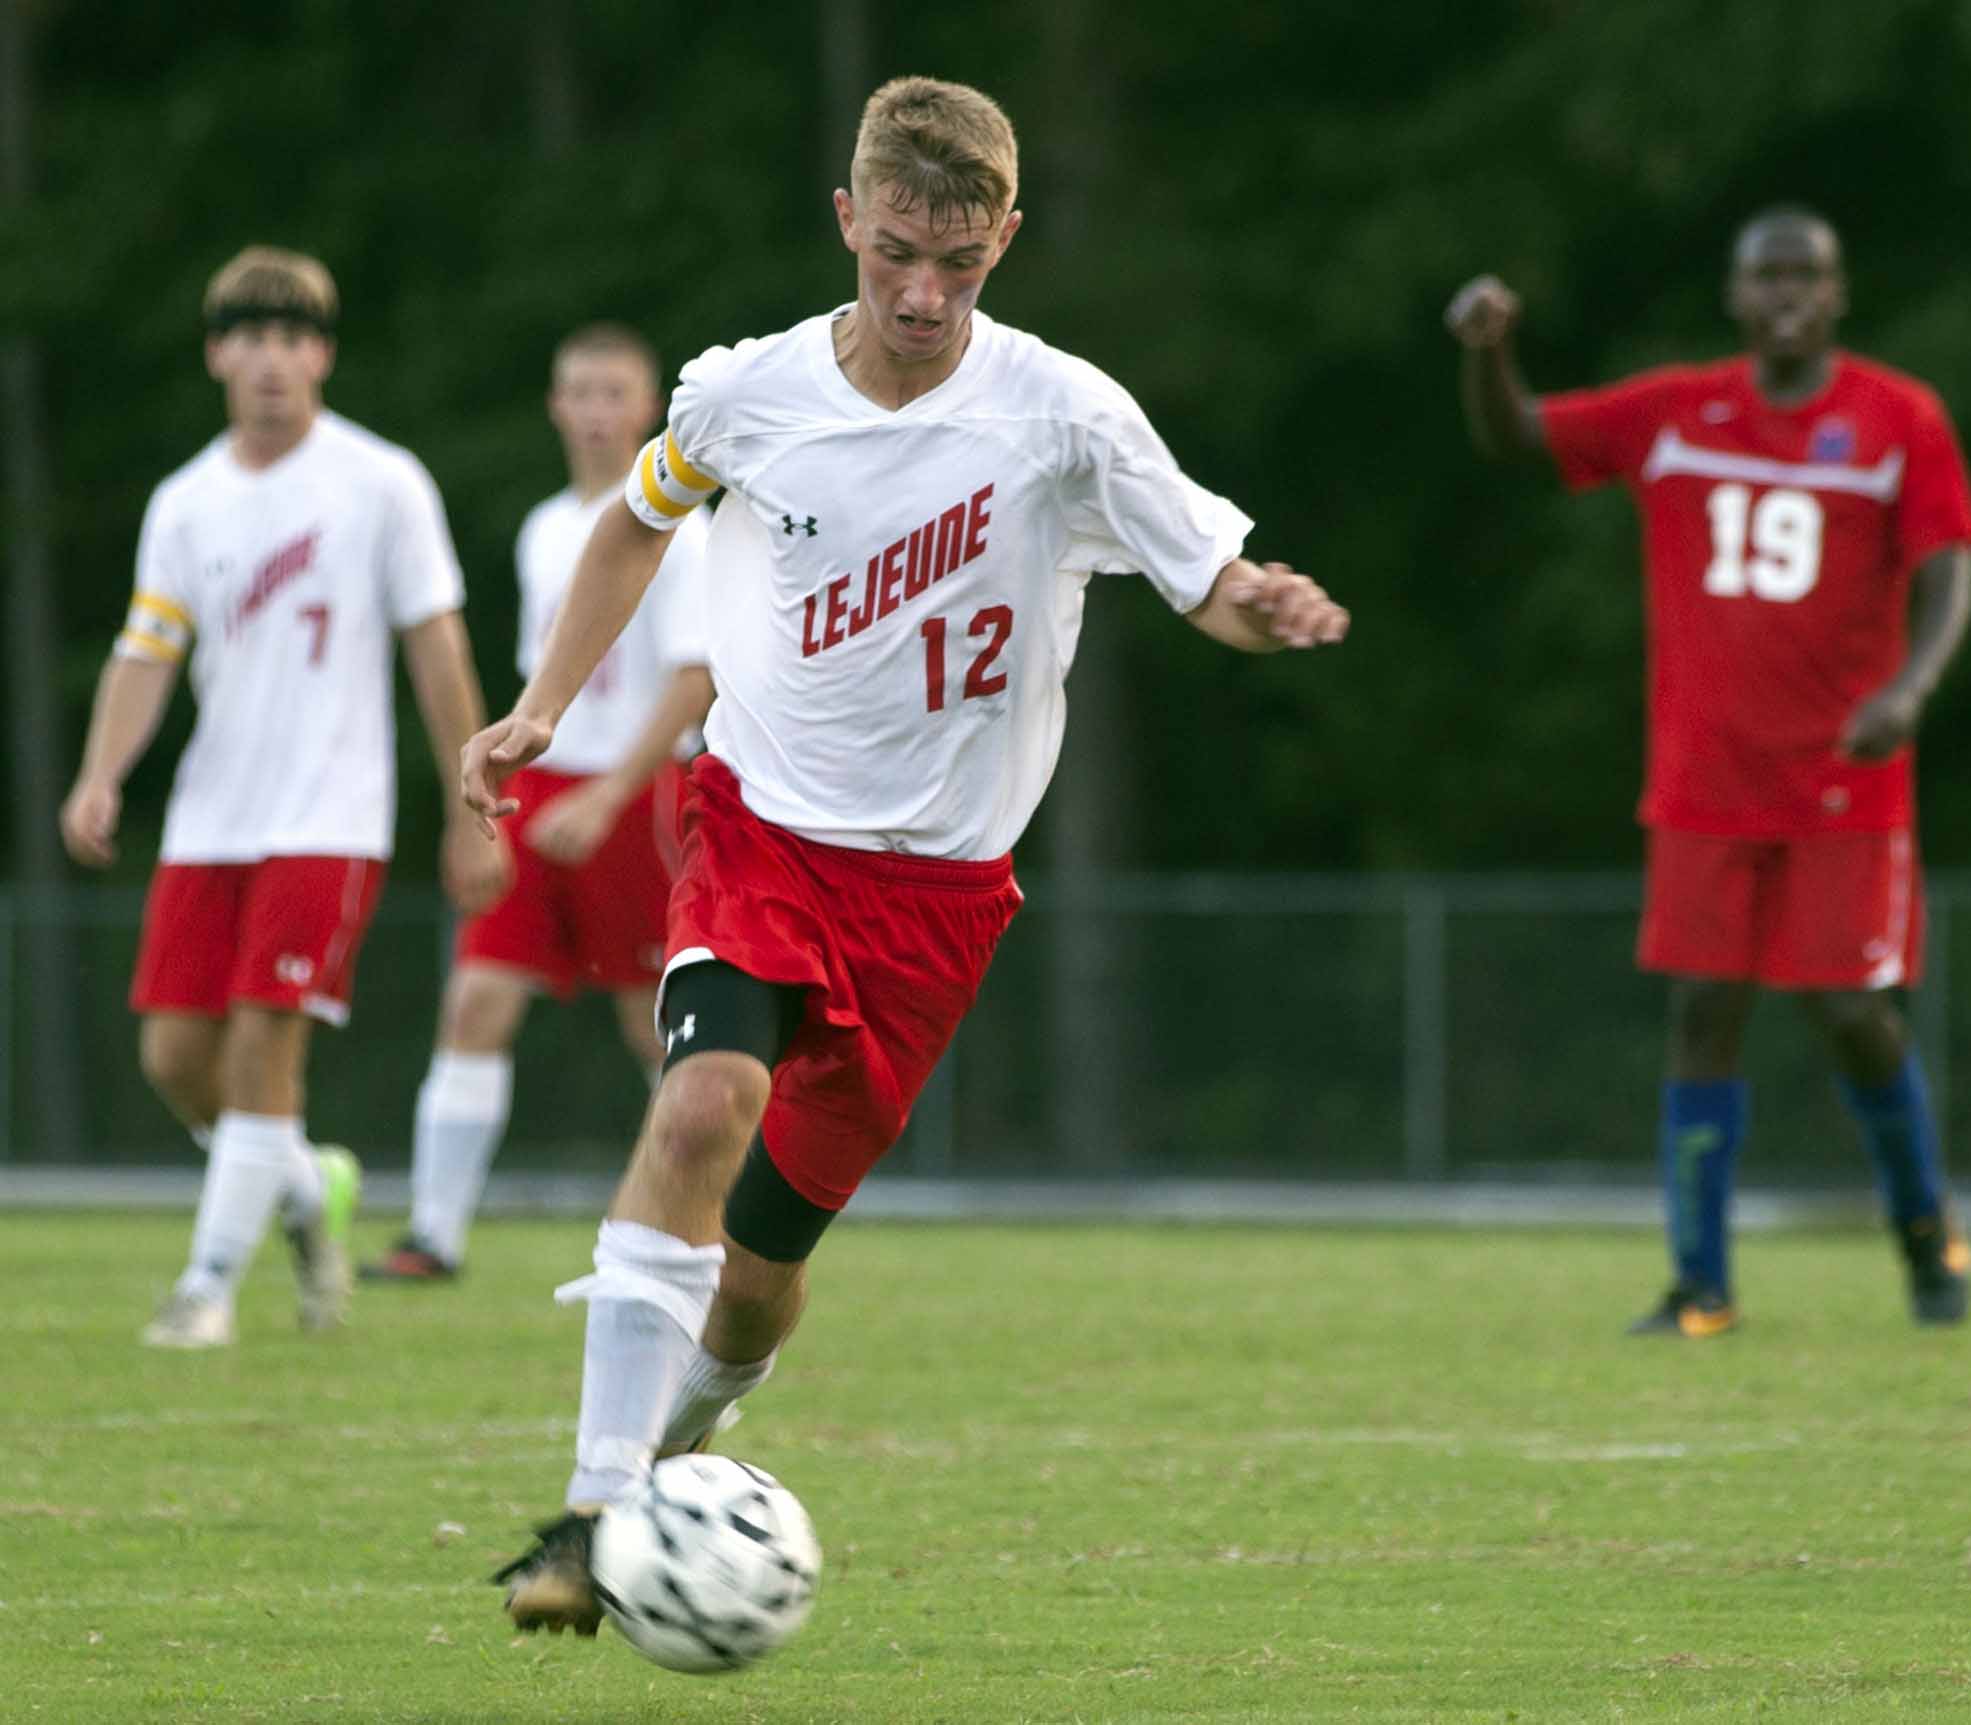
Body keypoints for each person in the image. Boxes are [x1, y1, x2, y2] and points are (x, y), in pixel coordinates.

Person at [473, 77, 1349, 1632]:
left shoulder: (1065, 414)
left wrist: (1260, 607)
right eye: (895, 254)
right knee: (701, 1102)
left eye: (957, 260)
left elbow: (1206, 577)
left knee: (757, 1284)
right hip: (757, 824)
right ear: (846, 222)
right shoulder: (746, 393)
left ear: (1004, 237)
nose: (924, 293)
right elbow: (635, 521)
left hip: (937, 898)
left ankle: (671, 1454)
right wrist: (543, 706)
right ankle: (592, 1515)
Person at [1446, 205, 1971, 1337]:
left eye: (1808, 275)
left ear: (1837, 293)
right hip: (1707, 779)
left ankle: (1926, 1231)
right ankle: (1702, 1285)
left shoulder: (1898, 418)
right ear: (1738, 297)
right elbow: (1518, 437)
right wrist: (1489, 354)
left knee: (1851, 1010)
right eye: (1767, 276)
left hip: (1842, 775)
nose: (1788, 293)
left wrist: (1912, 688)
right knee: (1702, 1008)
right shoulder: (1677, 412)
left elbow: (1949, 562)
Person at [60, 244, 506, 1348]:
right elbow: (147, 651)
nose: (273, 359)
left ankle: (206, 1286)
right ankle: (308, 1187)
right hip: (212, 819)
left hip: (330, 817)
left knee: (265, 1046)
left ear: (323, 355)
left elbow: (438, 650)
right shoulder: (185, 502)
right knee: (176, 1058)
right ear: (217, 355)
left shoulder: (381, 482)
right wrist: (101, 773)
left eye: (294, 337)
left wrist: (470, 801)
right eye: (251, 337)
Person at [373, 325, 718, 1283]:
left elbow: (694, 679)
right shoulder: (543, 529)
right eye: (581, 392)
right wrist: (494, 792)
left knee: (653, 1019)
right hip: (544, 789)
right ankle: (433, 1235)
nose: (597, 411)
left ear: (647, 407)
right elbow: (542, 683)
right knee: (477, 996)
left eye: (615, 393)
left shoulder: (683, 529)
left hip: (641, 791)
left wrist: (610, 797)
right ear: (556, 406)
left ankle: (694, 1225)